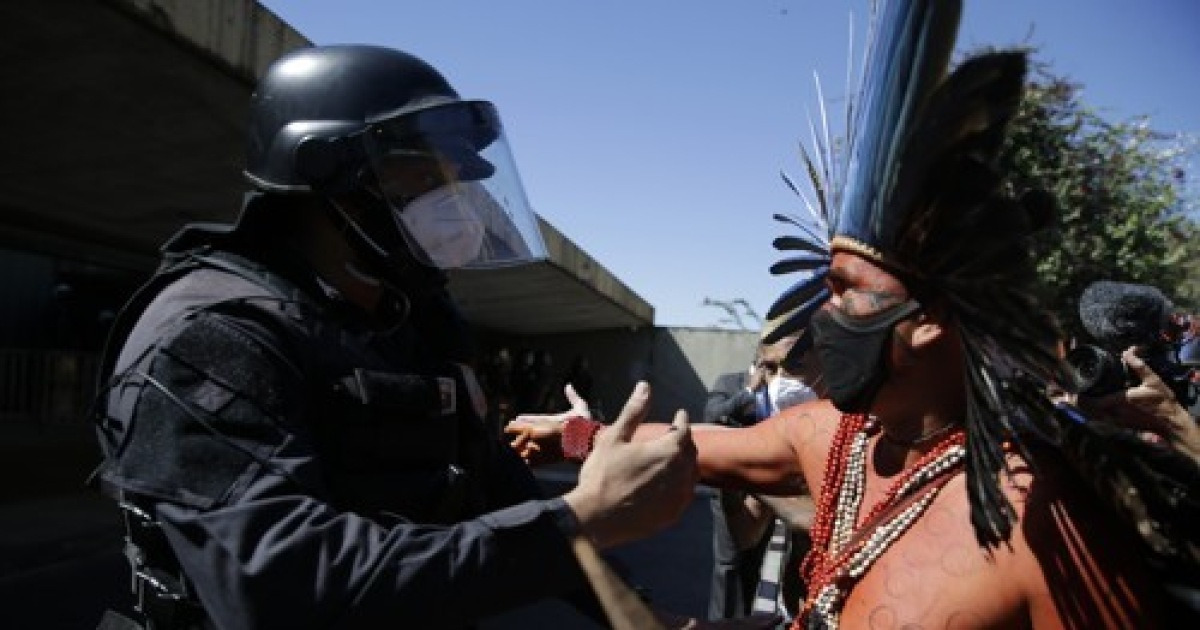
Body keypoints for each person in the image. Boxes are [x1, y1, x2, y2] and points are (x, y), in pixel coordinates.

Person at [509, 0, 1198, 626]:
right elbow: (692, 449)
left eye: (841, 289)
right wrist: (575, 436)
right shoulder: (833, 435)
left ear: (927, 319)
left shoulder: (1044, 528)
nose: (820, 320)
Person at [89, 44, 704, 630]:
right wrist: (583, 516)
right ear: (329, 177)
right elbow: (285, 591)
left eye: (457, 181)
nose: (456, 205)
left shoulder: (412, 324)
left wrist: (649, 618)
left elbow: (490, 489)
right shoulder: (214, 336)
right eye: (424, 179)